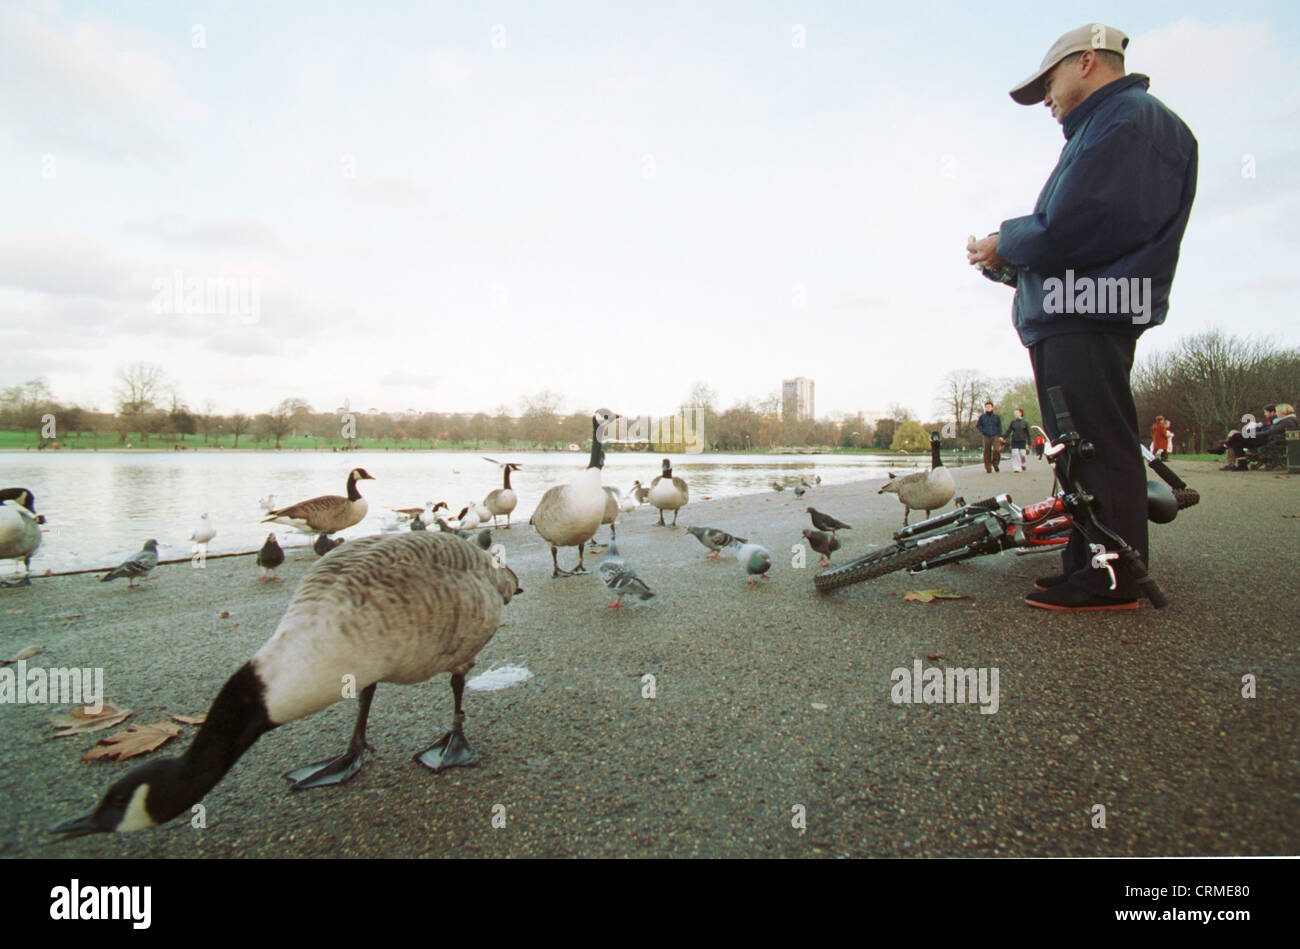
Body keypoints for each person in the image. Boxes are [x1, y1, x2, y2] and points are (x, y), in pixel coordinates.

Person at [966, 23, 1197, 611]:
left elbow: (1083, 222)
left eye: (1049, 80)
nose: (1045, 96)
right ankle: (1087, 565)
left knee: (1094, 445)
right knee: (1076, 448)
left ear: (1087, 62)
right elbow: (1089, 234)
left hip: (1088, 312)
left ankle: (1107, 580)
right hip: (1083, 307)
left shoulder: (1129, 122)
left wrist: (1006, 241)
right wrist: (1007, 264)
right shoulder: (1114, 124)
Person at [1222, 403, 1297, 470]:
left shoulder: (1286, 422)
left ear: (1283, 412)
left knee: (1236, 437)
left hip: (1270, 441)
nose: (1276, 413)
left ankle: (1225, 450)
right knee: (1236, 437)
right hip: (1269, 439)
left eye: (1277, 411)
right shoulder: (1284, 421)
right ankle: (1237, 461)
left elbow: (1268, 432)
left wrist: (1251, 434)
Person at [976, 401, 1003, 473]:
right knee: (987, 452)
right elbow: (978, 425)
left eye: (989, 407)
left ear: (992, 407)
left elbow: (1000, 426)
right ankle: (988, 467)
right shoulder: (982, 417)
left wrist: (1000, 436)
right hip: (986, 435)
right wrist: (983, 430)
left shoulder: (997, 417)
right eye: (986, 407)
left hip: (995, 435)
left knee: (996, 450)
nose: (988, 408)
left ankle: (995, 464)